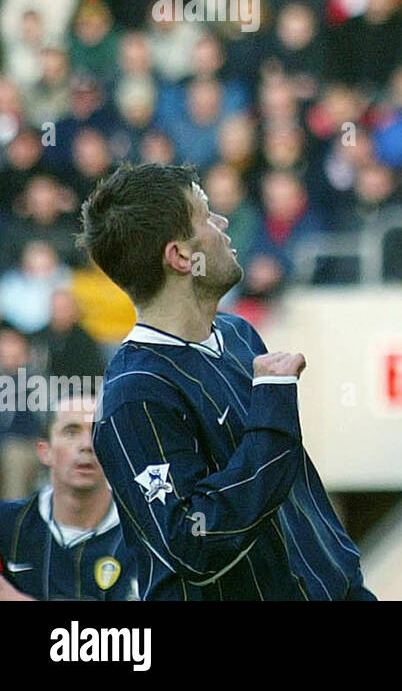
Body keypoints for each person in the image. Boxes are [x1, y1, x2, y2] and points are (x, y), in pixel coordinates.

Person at [80, 163, 373, 600]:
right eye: (206, 214)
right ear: (180, 257)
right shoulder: (133, 394)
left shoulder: (238, 335)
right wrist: (273, 413)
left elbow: (293, 499)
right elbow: (191, 546)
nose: (222, 223)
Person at [0, 397, 133, 601]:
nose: (87, 445)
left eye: (97, 431)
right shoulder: (8, 525)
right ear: (45, 452)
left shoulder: (143, 535)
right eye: (71, 432)